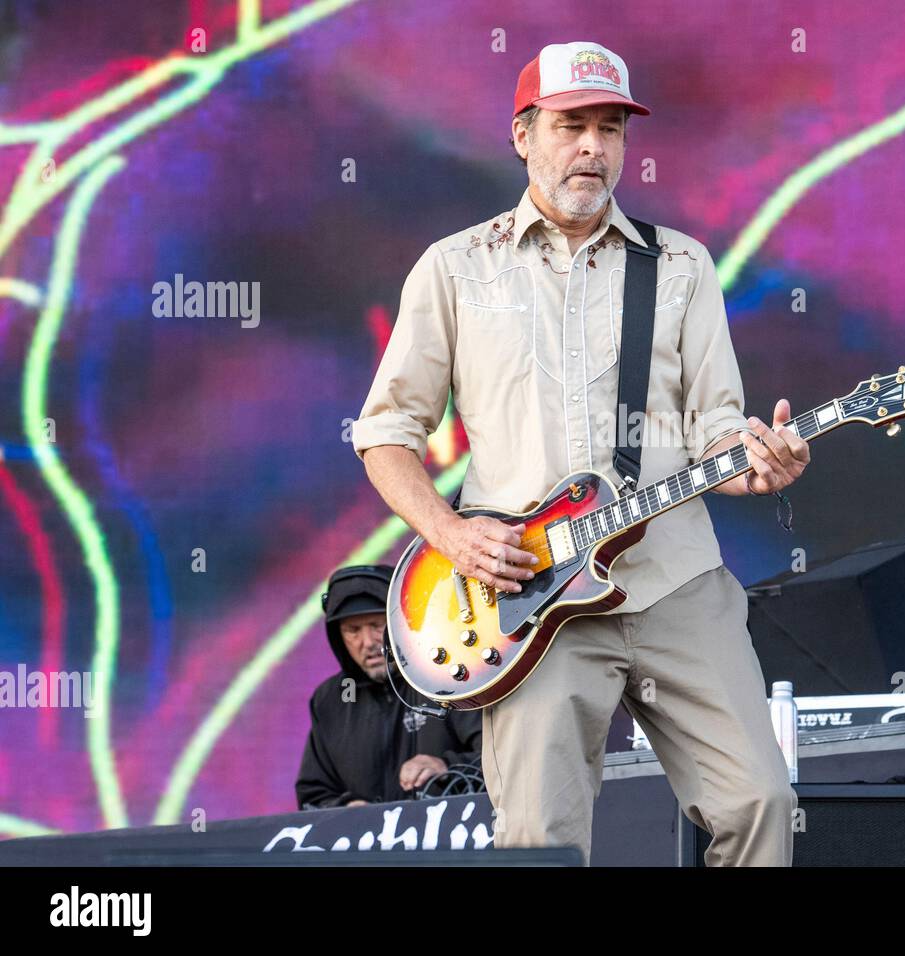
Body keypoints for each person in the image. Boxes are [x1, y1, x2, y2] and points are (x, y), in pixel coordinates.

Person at [350, 41, 809, 865]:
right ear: (523, 134)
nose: (593, 146)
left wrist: (760, 462)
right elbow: (386, 434)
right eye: (571, 126)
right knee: (541, 843)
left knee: (761, 803)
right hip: (529, 598)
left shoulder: (679, 267)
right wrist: (453, 537)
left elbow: (718, 433)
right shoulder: (457, 269)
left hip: (676, 581)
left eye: (610, 128)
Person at [295, 564, 482, 809]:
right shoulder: (329, 700)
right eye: (352, 630)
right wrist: (345, 809)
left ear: (402, 621)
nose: (368, 642)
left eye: (376, 625)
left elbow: (505, 763)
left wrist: (446, 767)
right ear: (337, 636)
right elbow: (313, 796)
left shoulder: (450, 674)